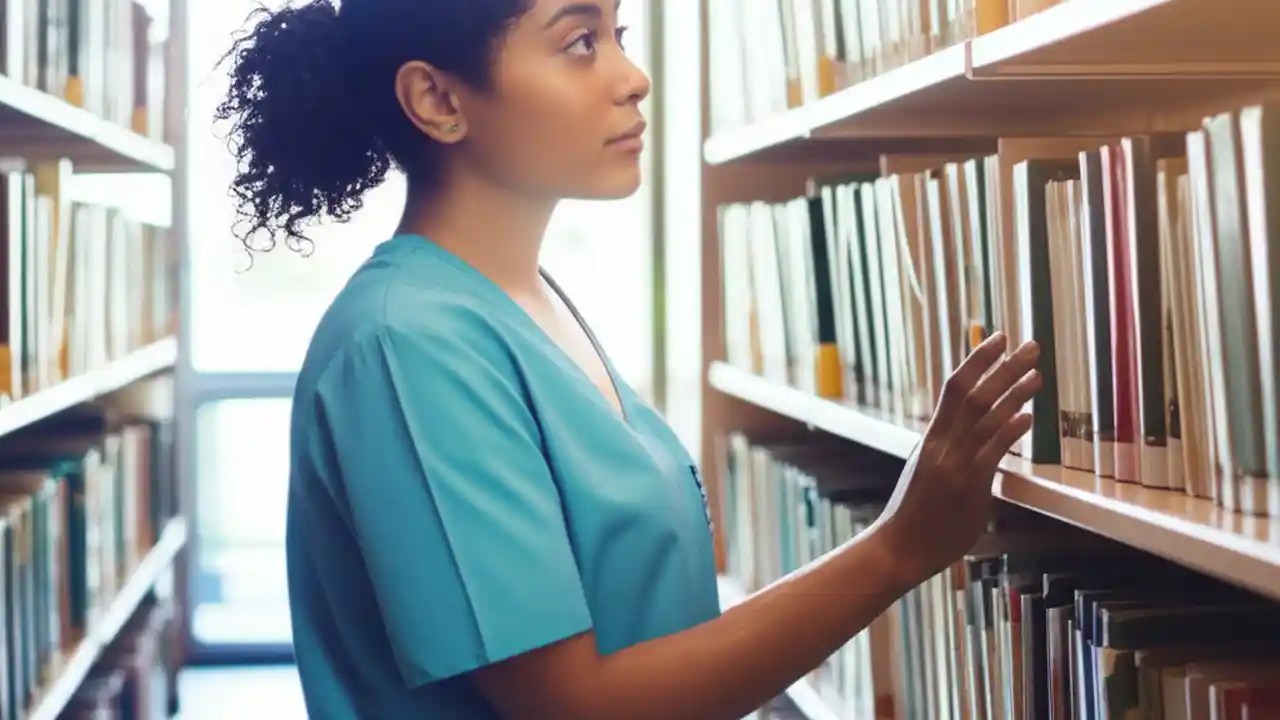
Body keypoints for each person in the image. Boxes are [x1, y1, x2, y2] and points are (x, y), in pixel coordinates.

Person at [215, 0, 1043, 718]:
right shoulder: (405, 345)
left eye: (619, 32)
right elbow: (581, 707)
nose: (633, 75)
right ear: (436, 98)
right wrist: (896, 548)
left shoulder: (525, 300)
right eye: (580, 42)